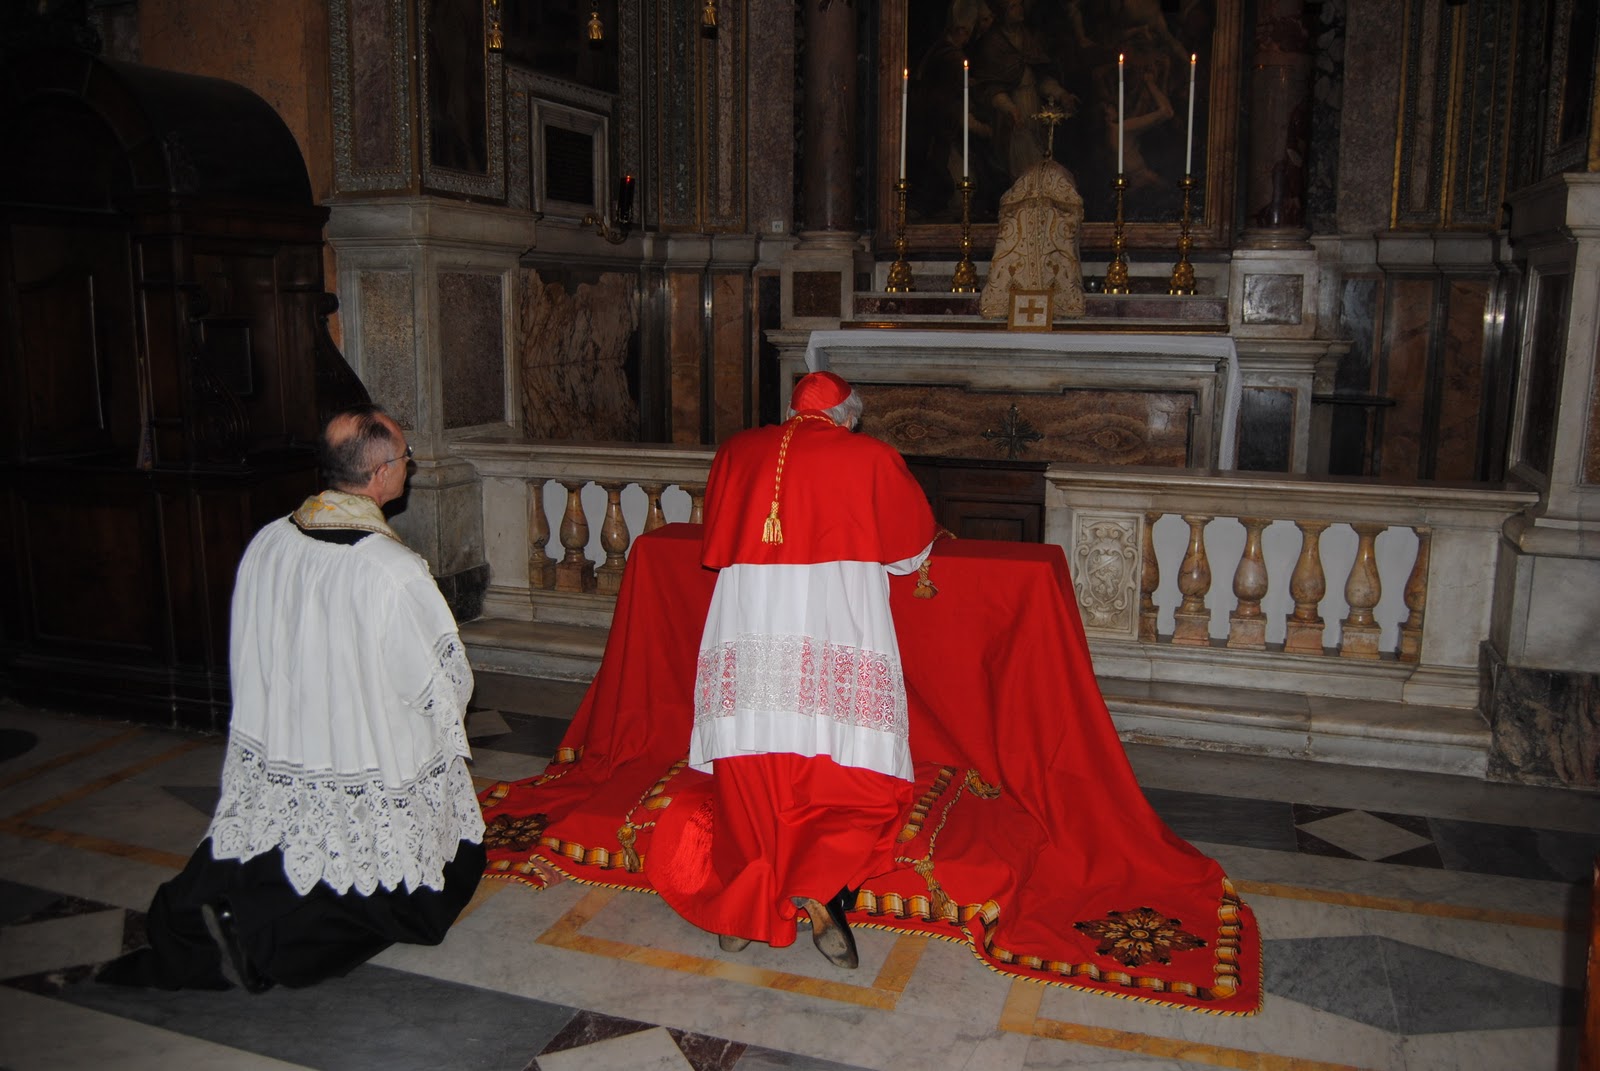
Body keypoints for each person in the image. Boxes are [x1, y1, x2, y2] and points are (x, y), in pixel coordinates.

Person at [98, 404, 485, 992]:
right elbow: (440, 682)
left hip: (288, 734)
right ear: (380, 473)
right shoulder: (391, 569)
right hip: (363, 747)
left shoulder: (272, 539)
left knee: (282, 838)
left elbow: (252, 640)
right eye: (405, 456)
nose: (409, 465)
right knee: (429, 873)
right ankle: (259, 937)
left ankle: (225, 908)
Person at [647, 371, 938, 969]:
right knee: (846, 765)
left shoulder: (739, 451)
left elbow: (715, 538)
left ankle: (748, 902)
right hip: (838, 625)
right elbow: (910, 552)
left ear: (790, 410)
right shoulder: (869, 457)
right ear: (848, 418)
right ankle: (821, 885)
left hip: (752, 625)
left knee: (755, 760)